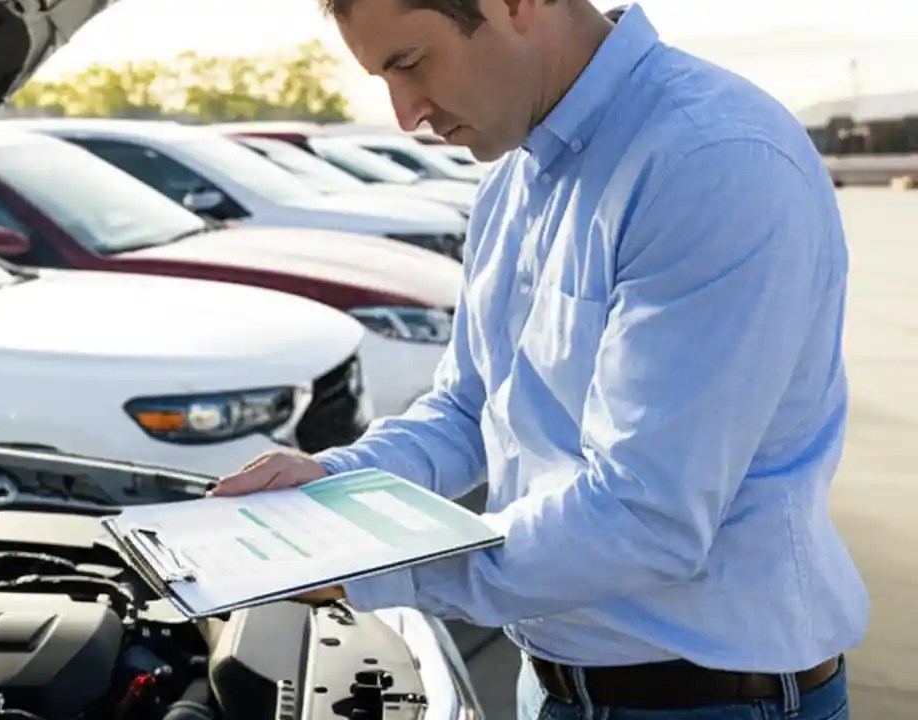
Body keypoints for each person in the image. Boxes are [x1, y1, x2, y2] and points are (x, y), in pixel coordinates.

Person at [213, 1, 868, 718]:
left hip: (709, 699)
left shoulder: (711, 160)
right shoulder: (513, 171)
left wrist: (370, 566)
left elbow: (644, 516)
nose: (405, 114)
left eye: (409, 63)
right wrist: (332, 486)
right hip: (553, 683)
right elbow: (468, 410)